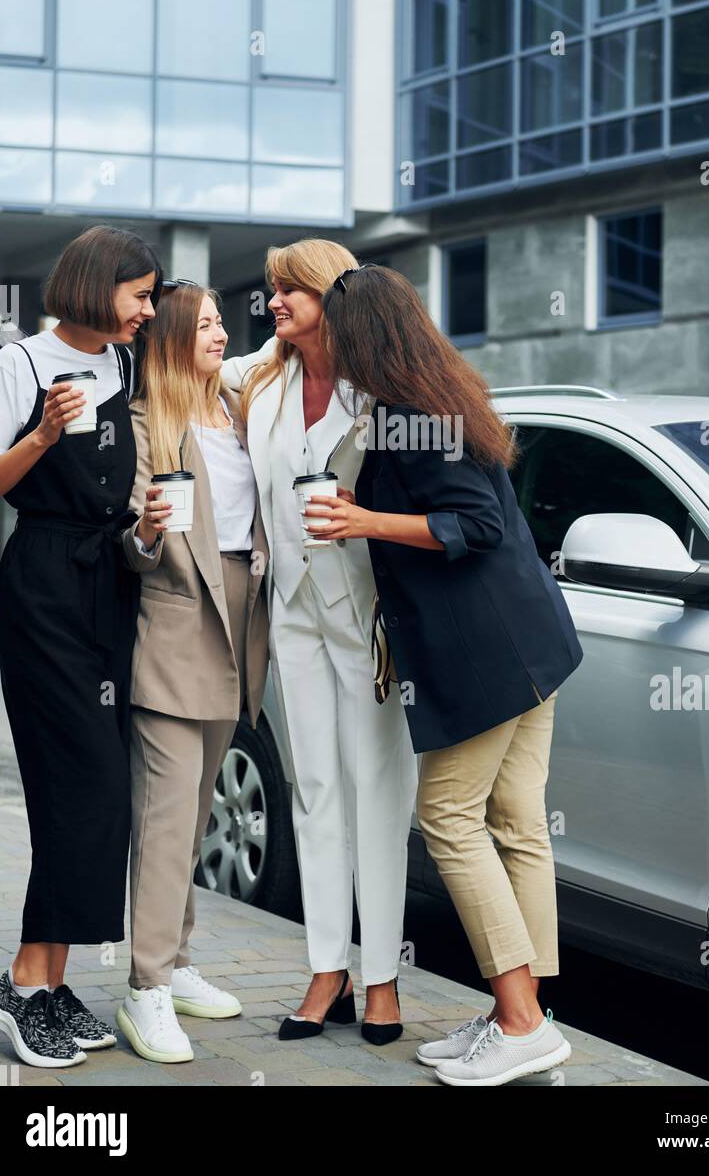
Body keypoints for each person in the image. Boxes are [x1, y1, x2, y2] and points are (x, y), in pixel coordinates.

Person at [310, 263, 585, 1086]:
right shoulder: (441, 389)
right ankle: (521, 1014)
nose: (328, 342)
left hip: (489, 651)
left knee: (449, 817)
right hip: (532, 643)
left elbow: (476, 523)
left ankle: (523, 1019)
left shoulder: (413, 411)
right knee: (516, 822)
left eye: (334, 330)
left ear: (364, 336)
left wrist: (362, 519)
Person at [220, 240, 417, 1044]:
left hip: (369, 618)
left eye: (290, 289)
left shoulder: (380, 389)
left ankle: (381, 979)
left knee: (378, 793)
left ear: (331, 294)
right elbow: (201, 367)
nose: (275, 300)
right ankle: (326, 968)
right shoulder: (262, 382)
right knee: (315, 793)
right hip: (294, 611)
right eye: (270, 289)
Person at [0, 226, 161, 1067]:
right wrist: (41, 437)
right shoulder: (21, 364)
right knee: (74, 779)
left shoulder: (122, 364)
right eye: (140, 295)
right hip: (45, 582)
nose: (148, 310)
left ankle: (49, 981)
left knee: (103, 788)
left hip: (106, 582)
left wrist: (145, 521)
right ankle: (20, 980)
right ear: (97, 288)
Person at [115, 283, 269, 1064]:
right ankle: (143, 989)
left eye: (221, 321)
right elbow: (134, 549)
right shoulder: (149, 425)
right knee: (168, 819)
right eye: (205, 323)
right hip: (178, 626)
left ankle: (174, 965)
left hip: (241, 623)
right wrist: (142, 534)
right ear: (174, 337)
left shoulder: (240, 411)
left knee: (200, 805)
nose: (220, 332)